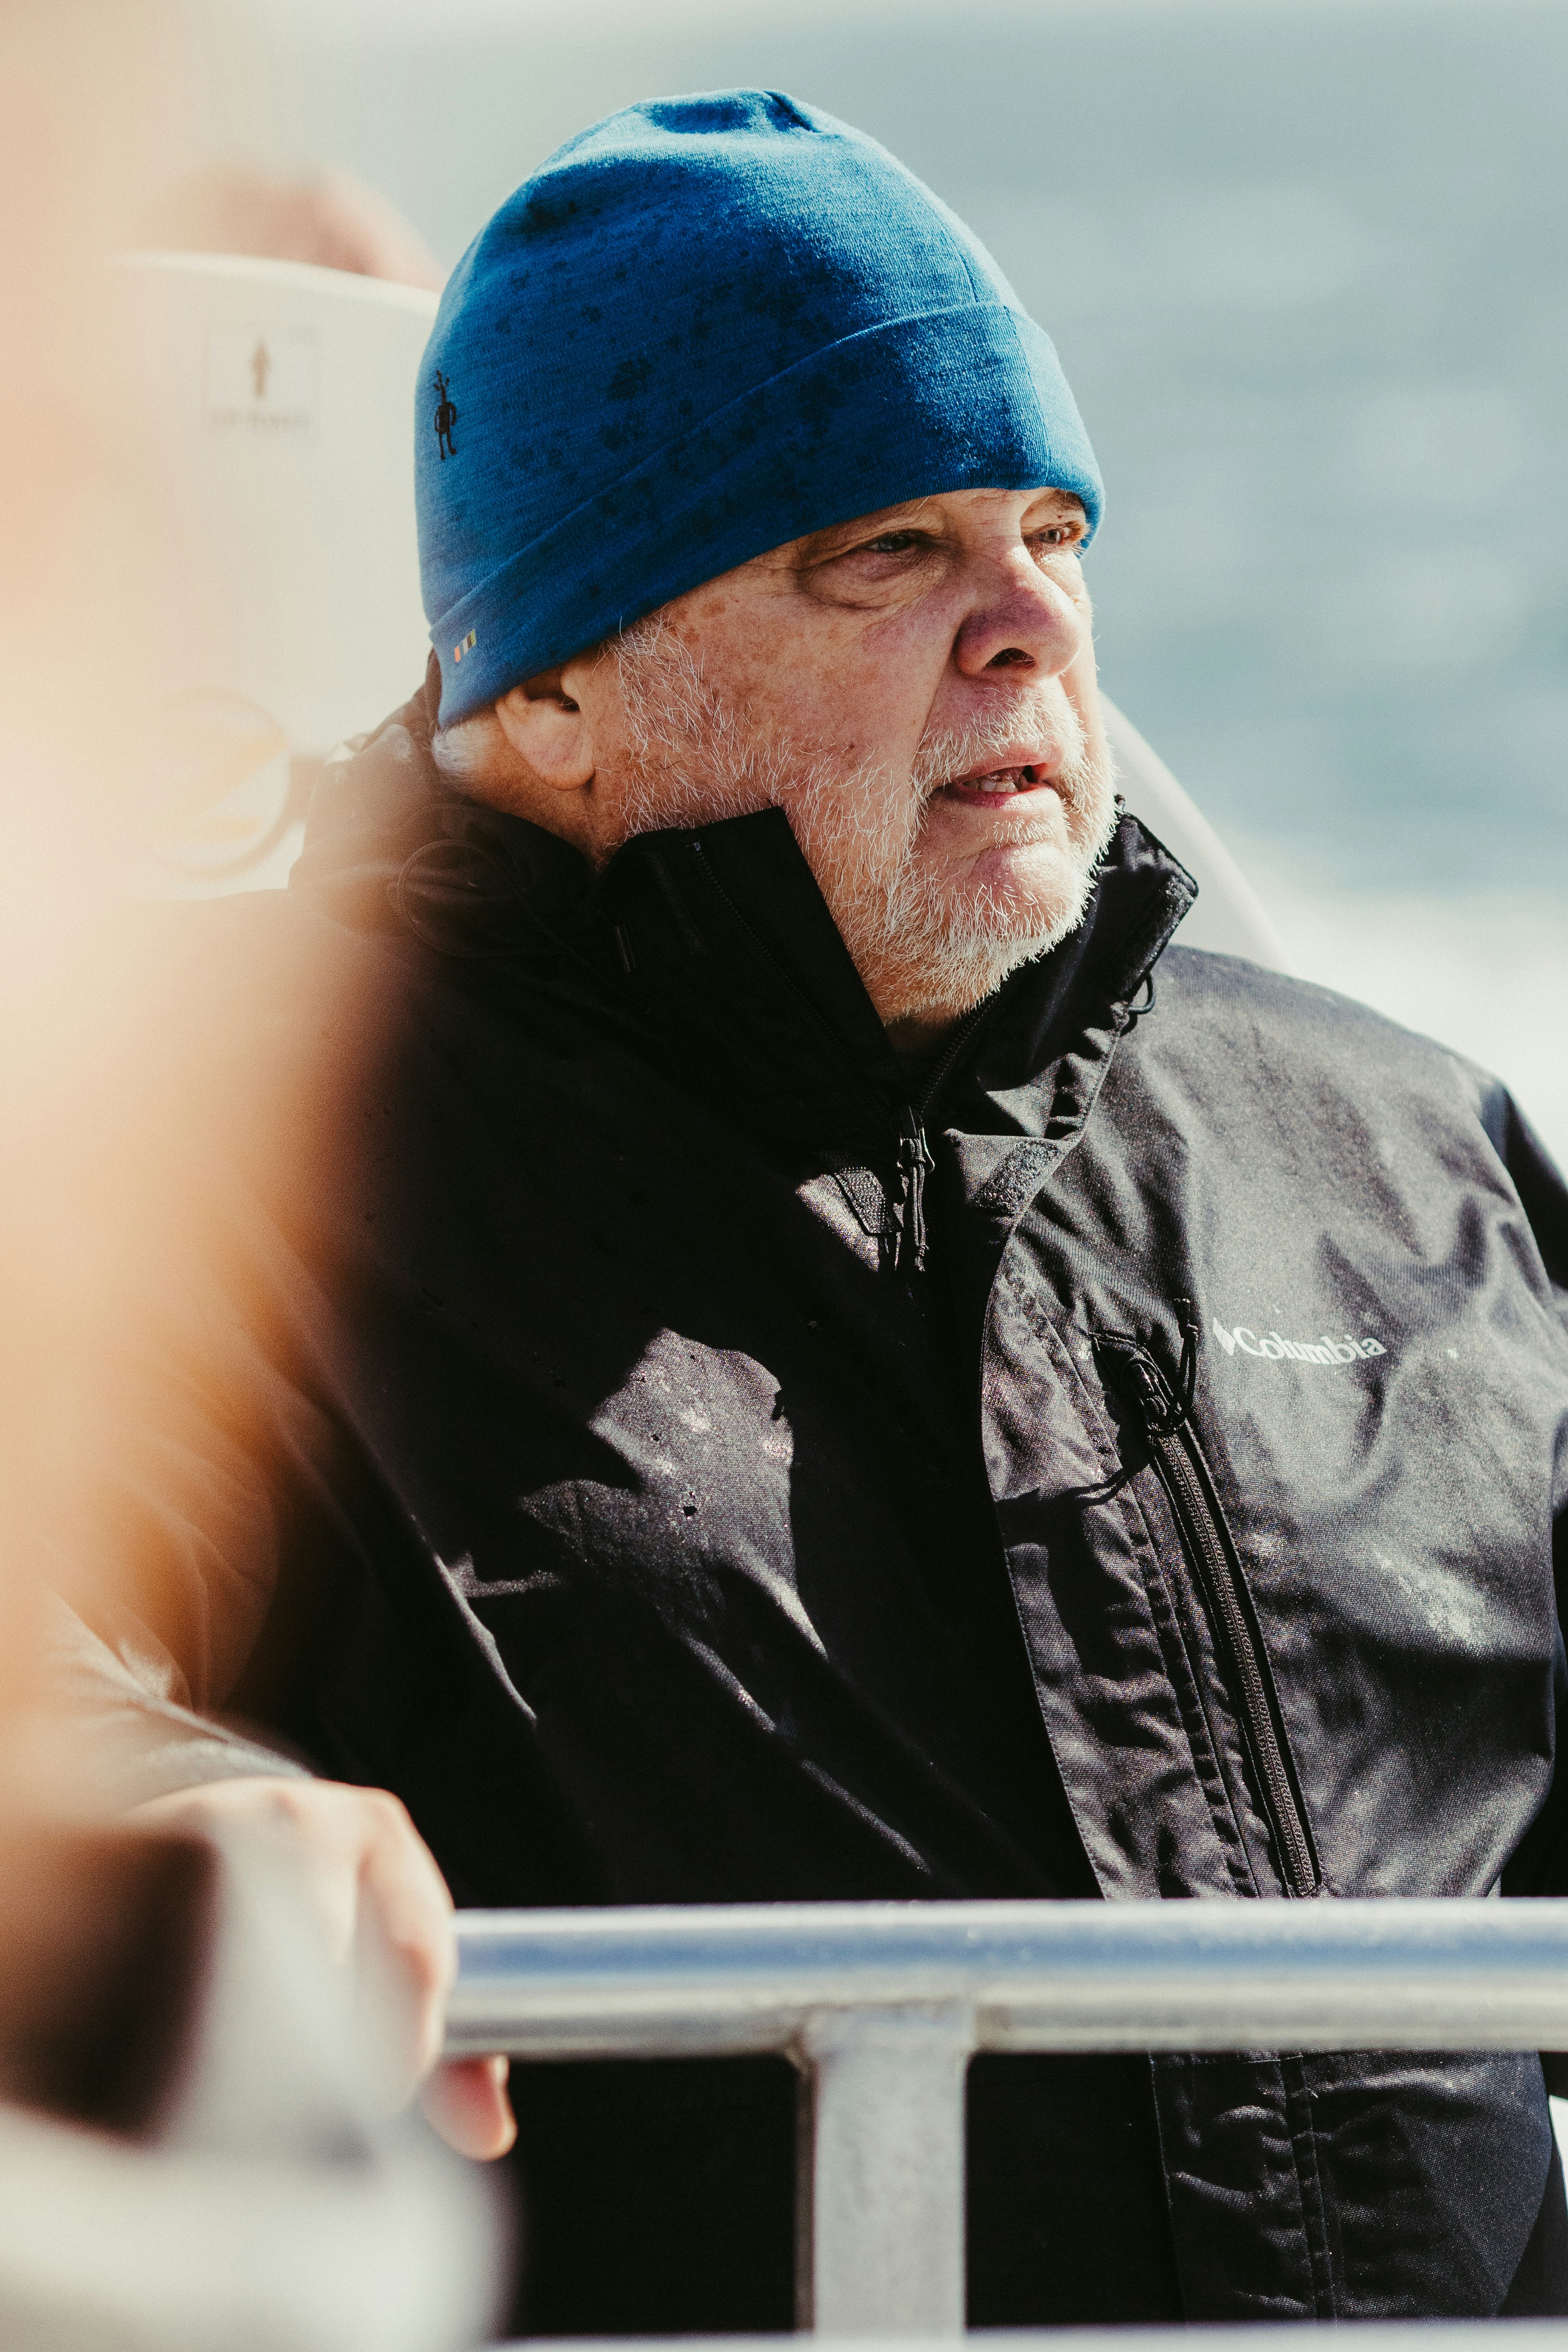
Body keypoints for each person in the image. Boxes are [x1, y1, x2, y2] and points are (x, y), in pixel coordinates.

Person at [40, 90, 1568, 2330]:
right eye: (886, 551)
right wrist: (144, 1800)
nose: (1029, 622)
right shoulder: (253, 1178)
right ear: (554, 686)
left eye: (1049, 528)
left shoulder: (1391, 1153)